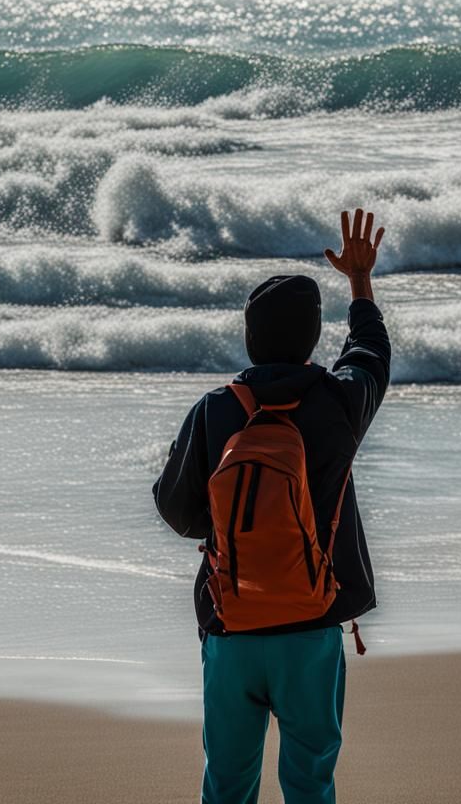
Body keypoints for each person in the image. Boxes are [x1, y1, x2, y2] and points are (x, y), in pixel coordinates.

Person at [152, 208, 390, 804]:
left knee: (227, 784)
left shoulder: (216, 409)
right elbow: (371, 352)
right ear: (312, 337)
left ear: (249, 336)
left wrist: (241, 524)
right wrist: (359, 282)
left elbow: (176, 510)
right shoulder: (338, 402)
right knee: (310, 782)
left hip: (231, 624)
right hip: (310, 626)